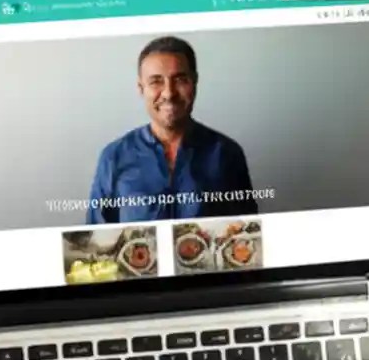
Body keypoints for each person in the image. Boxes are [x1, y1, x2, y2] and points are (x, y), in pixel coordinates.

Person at [87, 36, 256, 224]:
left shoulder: (227, 154)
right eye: (156, 81)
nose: (169, 93)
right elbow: (95, 237)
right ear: (141, 88)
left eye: (180, 79)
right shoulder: (113, 157)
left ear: (194, 82)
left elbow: (246, 236)